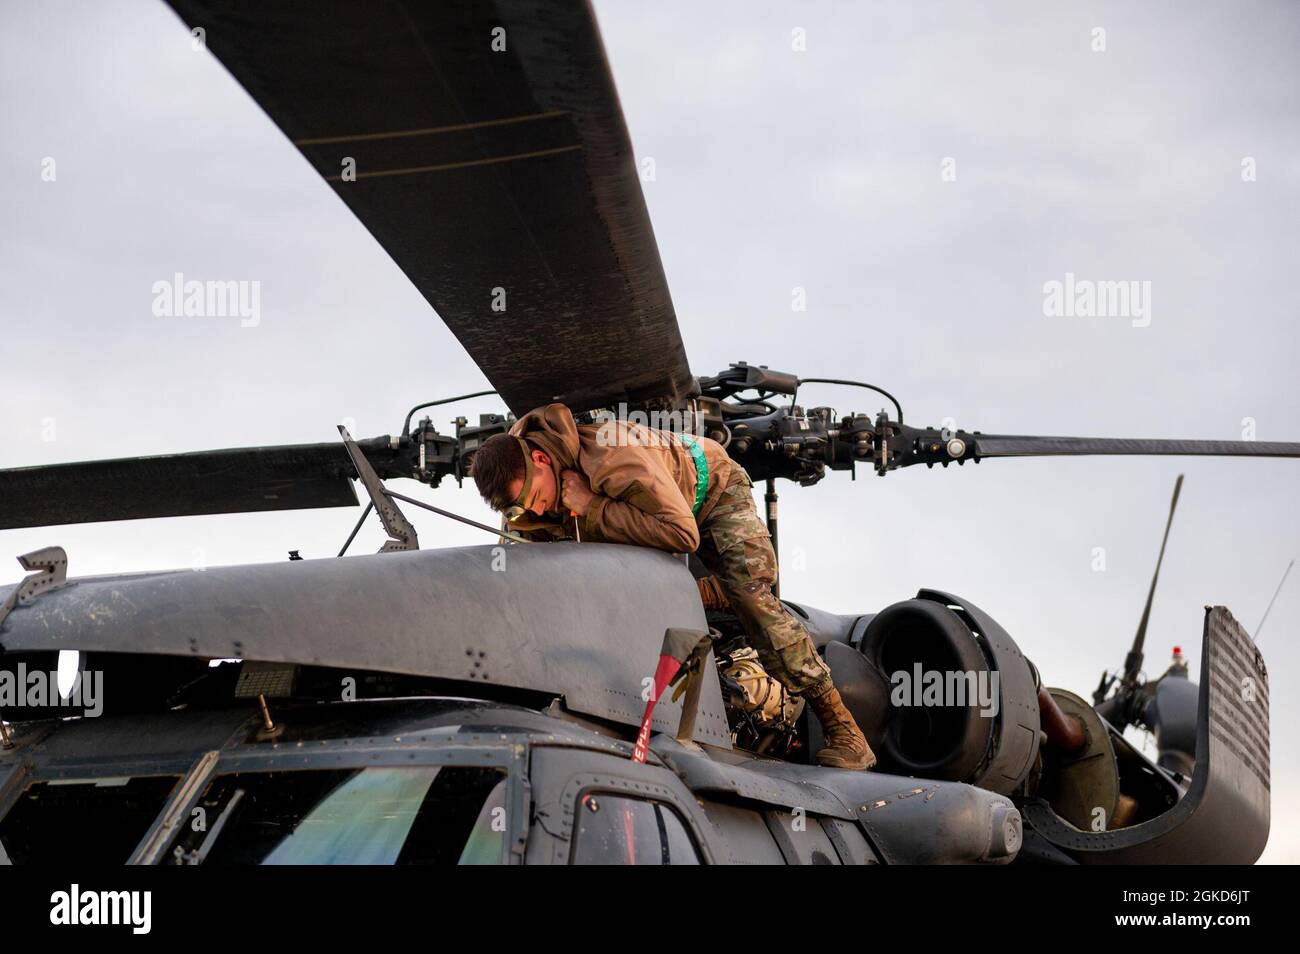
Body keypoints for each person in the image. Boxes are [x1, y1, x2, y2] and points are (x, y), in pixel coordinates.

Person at [469, 402, 875, 770]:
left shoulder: (612, 457)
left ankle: (844, 730)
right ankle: (705, 596)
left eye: (537, 496)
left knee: (752, 600)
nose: (539, 509)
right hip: (647, 518)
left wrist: (591, 507)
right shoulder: (528, 503)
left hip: (712, 494)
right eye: (525, 506)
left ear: (541, 460)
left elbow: (682, 535)